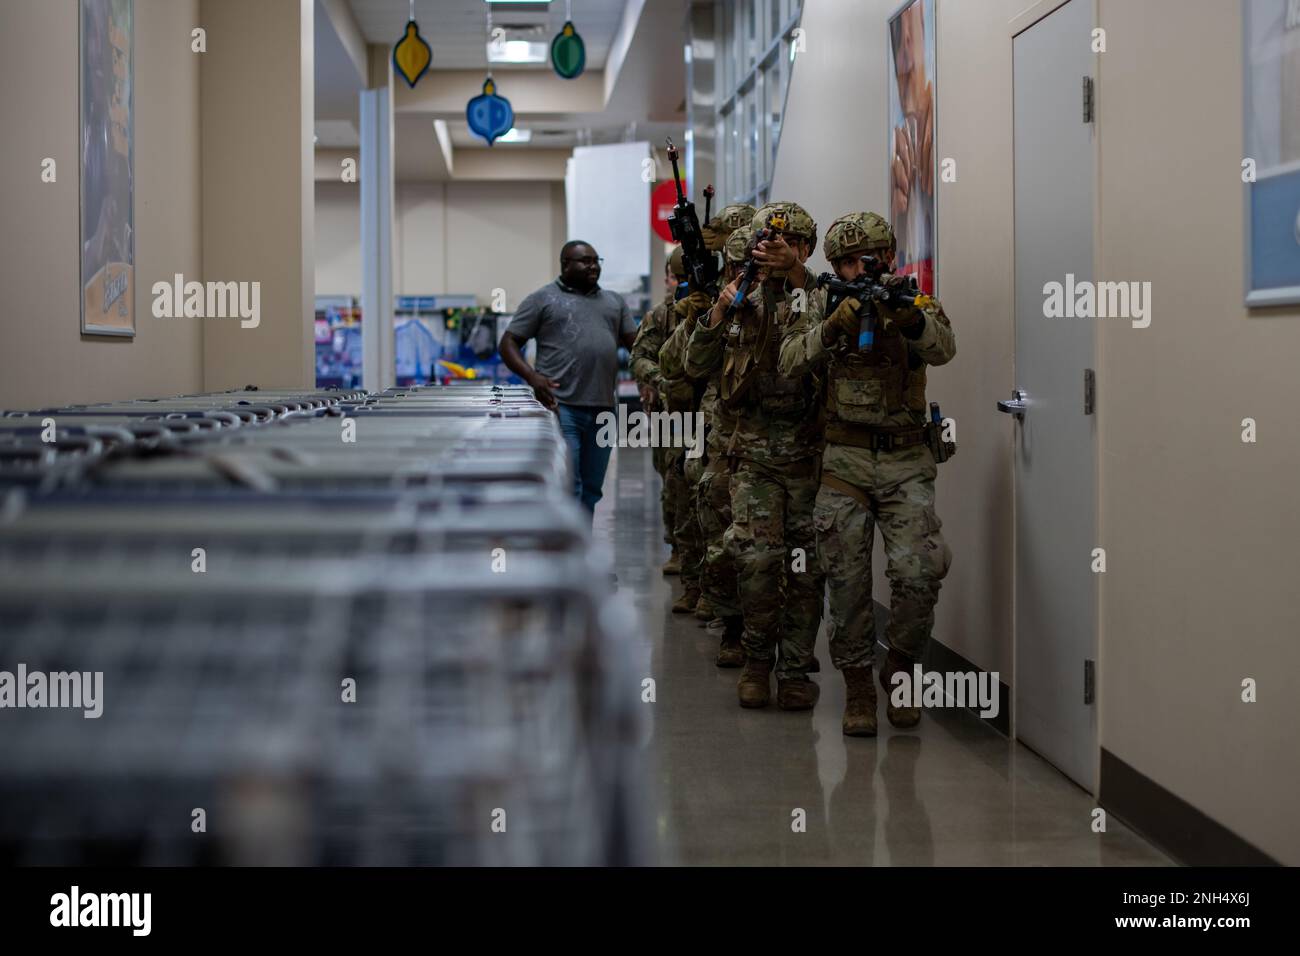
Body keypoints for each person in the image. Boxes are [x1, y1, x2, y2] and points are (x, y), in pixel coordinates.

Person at [777, 211, 955, 735]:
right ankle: (857, 683)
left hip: (906, 462)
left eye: (869, 259)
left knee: (919, 573)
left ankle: (900, 668)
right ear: (834, 266)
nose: (861, 269)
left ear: (888, 258)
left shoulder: (914, 300)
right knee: (846, 582)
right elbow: (789, 360)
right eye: (849, 262)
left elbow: (945, 348)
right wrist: (832, 326)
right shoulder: (816, 302)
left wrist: (910, 319)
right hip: (844, 462)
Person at [685, 203, 825, 710]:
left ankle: (793, 671)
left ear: (805, 249)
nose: (771, 256)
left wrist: (793, 276)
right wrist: (721, 309)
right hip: (753, 457)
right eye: (763, 251)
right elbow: (693, 364)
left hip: (810, 458)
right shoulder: (742, 297)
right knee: (758, 562)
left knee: (806, 569)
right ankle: (756, 661)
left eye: (787, 248)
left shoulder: (820, 296)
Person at [658, 215, 751, 666]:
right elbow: (676, 363)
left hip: (771, 440)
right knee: (705, 512)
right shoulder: (709, 300)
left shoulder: (798, 298)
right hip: (705, 428)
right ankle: (723, 613)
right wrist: (701, 313)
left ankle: (777, 645)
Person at [501, 241, 638, 518]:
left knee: (591, 489)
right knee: (569, 488)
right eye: (584, 261)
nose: (593, 266)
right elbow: (508, 342)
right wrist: (532, 377)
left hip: (604, 409)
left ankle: (580, 549)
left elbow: (638, 345)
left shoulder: (614, 302)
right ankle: (566, 554)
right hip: (562, 408)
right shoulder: (543, 299)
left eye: (596, 260)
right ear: (565, 264)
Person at [630, 248, 701, 603]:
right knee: (674, 484)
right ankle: (680, 551)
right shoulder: (661, 316)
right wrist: (661, 382)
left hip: (710, 416)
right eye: (677, 279)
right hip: (671, 417)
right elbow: (638, 357)